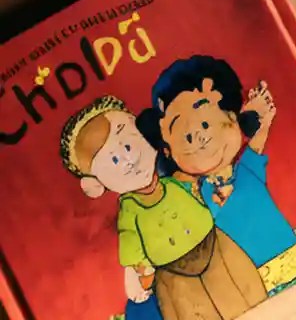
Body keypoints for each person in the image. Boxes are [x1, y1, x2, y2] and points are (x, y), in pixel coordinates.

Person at [60, 96, 267, 320]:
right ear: (94, 186)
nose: (129, 158)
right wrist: (134, 275)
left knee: (250, 297)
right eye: (114, 160)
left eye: (128, 143)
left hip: (216, 246)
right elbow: (132, 251)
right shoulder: (130, 212)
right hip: (174, 273)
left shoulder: (177, 177)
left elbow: (209, 182)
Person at [138, 56, 296, 293]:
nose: (201, 137)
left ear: (233, 116)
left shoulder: (245, 171)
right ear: (168, 151)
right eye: (186, 135)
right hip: (252, 286)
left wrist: (261, 117)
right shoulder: (193, 195)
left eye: (206, 124)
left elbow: (257, 138)